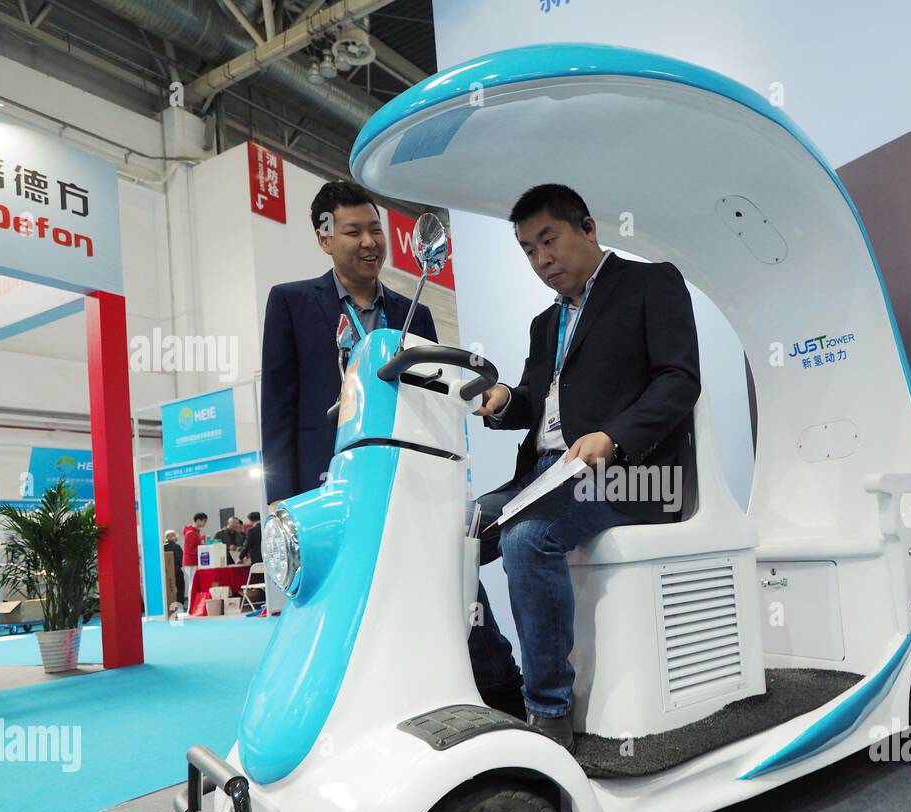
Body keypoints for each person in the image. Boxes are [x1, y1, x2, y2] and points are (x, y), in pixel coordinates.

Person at [468, 184, 701, 748]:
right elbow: (532, 400)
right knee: (449, 536)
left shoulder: (651, 284)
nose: (541, 260)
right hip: (543, 475)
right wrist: (503, 402)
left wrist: (614, 438)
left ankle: (549, 714)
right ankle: (499, 681)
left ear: (589, 228)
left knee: (526, 540)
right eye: (527, 249)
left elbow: (679, 380)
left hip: (629, 473)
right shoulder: (544, 325)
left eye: (550, 240)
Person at [261, 180, 438, 506]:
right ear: (325, 239)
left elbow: (431, 401)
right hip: (323, 476)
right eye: (354, 233)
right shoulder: (291, 303)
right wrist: (280, 497)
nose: (370, 242)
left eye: (376, 230)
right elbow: (278, 407)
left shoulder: (415, 313)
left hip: (402, 477)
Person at [181, 512, 207, 607]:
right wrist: (202, 549)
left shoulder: (194, 532)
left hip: (193, 561)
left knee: (193, 584)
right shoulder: (191, 533)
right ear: (198, 520)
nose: (205, 523)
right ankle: (191, 606)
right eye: (204, 521)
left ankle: (192, 605)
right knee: (192, 584)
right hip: (191, 562)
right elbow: (189, 549)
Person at [163, 530, 185, 609]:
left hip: (165, 572)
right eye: (175, 536)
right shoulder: (176, 547)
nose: (176, 538)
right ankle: (179, 605)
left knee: (167, 588)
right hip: (177, 571)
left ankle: (167, 605)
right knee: (180, 588)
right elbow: (181, 559)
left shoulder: (162, 546)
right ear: (169, 537)